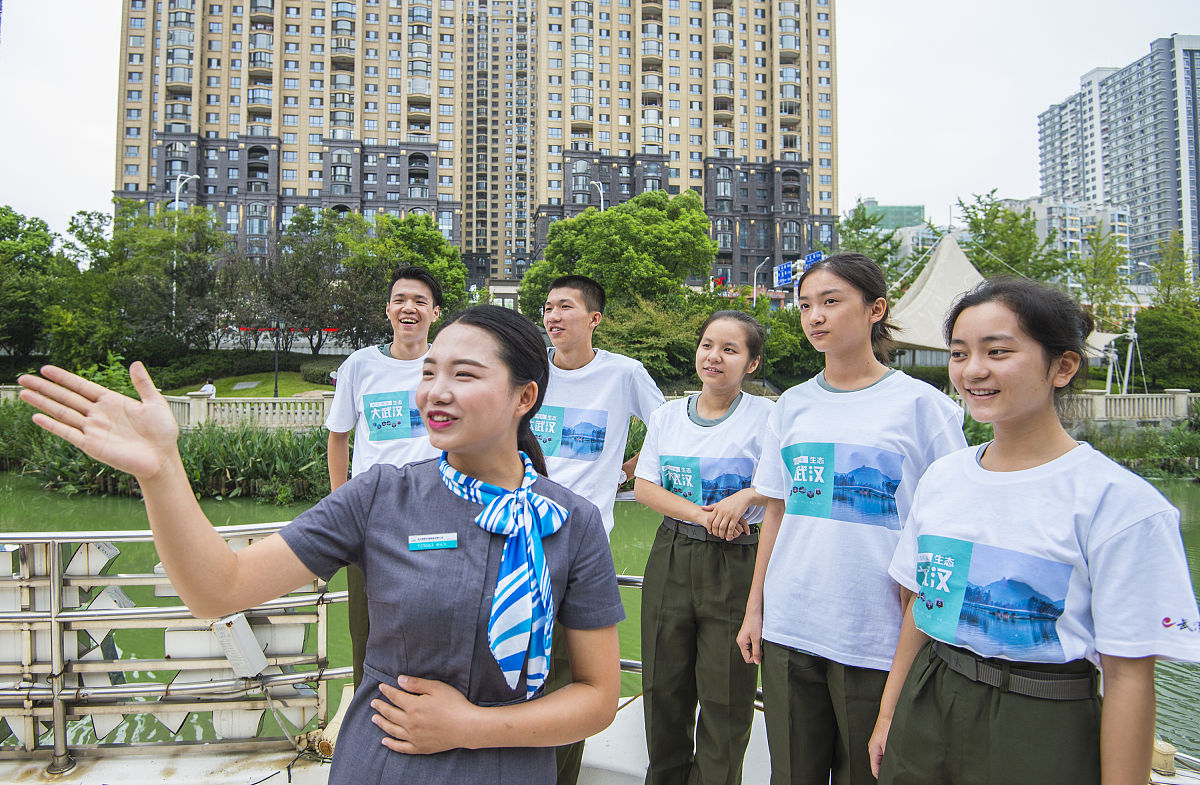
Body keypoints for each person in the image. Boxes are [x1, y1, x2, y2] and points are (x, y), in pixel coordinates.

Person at [16, 304, 624, 785]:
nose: (436, 391)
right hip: (385, 767)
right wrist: (161, 470)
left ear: (525, 398)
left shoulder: (569, 522)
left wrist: (471, 726)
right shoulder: (380, 495)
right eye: (429, 372)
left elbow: (598, 698)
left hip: (509, 770)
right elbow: (216, 588)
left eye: (464, 375)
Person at [868, 278, 1200, 785]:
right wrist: (889, 714)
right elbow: (923, 605)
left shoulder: (1119, 503)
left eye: (998, 351)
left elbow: (1129, 675)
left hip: (1041, 717)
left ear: (1062, 367)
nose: (973, 370)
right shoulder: (943, 478)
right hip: (928, 697)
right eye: (960, 353)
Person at [736, 253, 967, 785]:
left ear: (875, 310)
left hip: (878, 633)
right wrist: (755, 611)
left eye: (831, 301)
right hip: (792, 625)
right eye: (805, 306)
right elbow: (776, 510)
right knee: (793, 774)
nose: (815, 316)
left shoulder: (924, 408)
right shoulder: (791, 406)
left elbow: (946, 531)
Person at [635, 310, 774, 785]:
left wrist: (747, 495)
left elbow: (785, 483)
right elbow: (645, 485)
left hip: (738, 560)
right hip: (673, 551)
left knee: (728, 695)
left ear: (751, 364)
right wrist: (703, 514)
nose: (714, 357)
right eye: (708, 345)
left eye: (730, 349)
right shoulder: (667, 415)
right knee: (663, 685)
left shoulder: (769, 417)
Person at [536, 274, 665, 784]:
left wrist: (624, 472)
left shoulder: (623, 374)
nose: (553, 316)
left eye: (565, 307)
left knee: (572, 671)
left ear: (594, 319)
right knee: (518, 660)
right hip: (517, 533)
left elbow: (668, 427)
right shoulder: (529, 370)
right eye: (548, 307)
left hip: (584, 544)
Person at [326, 265, 443, 688]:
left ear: (435, 313)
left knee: (432, 627)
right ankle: (368, 730)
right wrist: (342, 506)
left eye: (419, 301)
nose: (408, 308)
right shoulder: (360, 365)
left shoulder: (446, 365)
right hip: (371, 520)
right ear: (387, 309)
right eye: (400, 300)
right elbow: (338, 437)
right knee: (368, 629)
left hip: (437, 517)